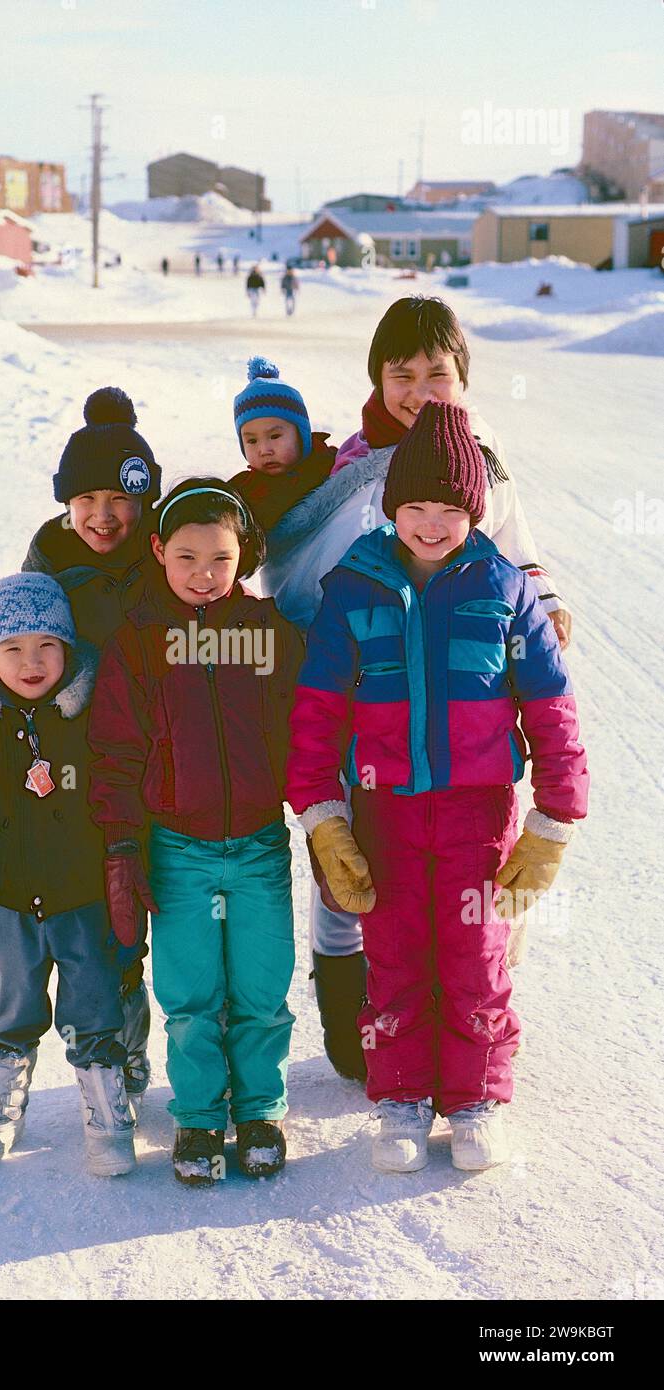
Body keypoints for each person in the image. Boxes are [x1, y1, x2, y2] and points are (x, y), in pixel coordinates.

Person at [260, 295, 576, 1086]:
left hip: (462, 703)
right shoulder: (355, 460)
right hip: (362, 697)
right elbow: (308, 557)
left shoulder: (484, 458)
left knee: (478, 881)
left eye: (438, 374)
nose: (420, 391)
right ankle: (349, 1015)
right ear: (377, 377)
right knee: (351, 864)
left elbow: (514, 555)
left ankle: (476, 1028)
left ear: (461, 377)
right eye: (402, 375)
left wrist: (544, 601)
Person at [285, 402, 588, 1171]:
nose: (429, 523)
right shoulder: (352, 589)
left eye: (449, 508)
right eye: (415, 507)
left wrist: (553, 818)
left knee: (473, 952)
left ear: (474, 509)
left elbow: (550, 707)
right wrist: (322, 815)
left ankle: (476, 1095)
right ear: (391, 509)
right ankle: (401, 1098)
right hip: (382, 812)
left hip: (477, 812)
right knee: (393, 954)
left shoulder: (503, 588)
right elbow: (316, 712)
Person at [86, 479, 305, 1186]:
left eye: (220, 558)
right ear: (157, 550)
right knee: (189, 995)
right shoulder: (139, 642)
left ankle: (260, 1110)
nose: (203, 574)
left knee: (260, 988)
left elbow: (308, 734)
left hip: (258, 843)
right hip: (176, 848)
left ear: (244, 555)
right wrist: (122, 846)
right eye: (185, 557)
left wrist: (330, 820)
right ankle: (201, 1117)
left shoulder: (271, 635)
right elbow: (114, 755)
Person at [0, 572, 137, 1176]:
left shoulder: (92, 719)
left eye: (46, 644)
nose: (31, 661)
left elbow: (123, 800)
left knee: (94, 1004)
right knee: (16, 1004)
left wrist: (130, 881)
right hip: (13, 906)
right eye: (13, 648)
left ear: (68, 649)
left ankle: (107, 1111)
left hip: (85, 901)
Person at [21, 387, 162, 1102]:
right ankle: (124, 1053)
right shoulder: (48, 559)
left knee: (180, 907)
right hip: (88, 763)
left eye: (119, 499)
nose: (103, 516)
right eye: (86, 500)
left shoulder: (168, 549)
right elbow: (21, 657)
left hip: (167, 760)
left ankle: (215, 1056)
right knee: (111, 923)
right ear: (65, 503)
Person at [228, 356, 336, 532]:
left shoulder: (331, 466)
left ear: (301, 435)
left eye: (275, 436)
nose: (264, 450)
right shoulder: (243, 491)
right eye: (252, 441)